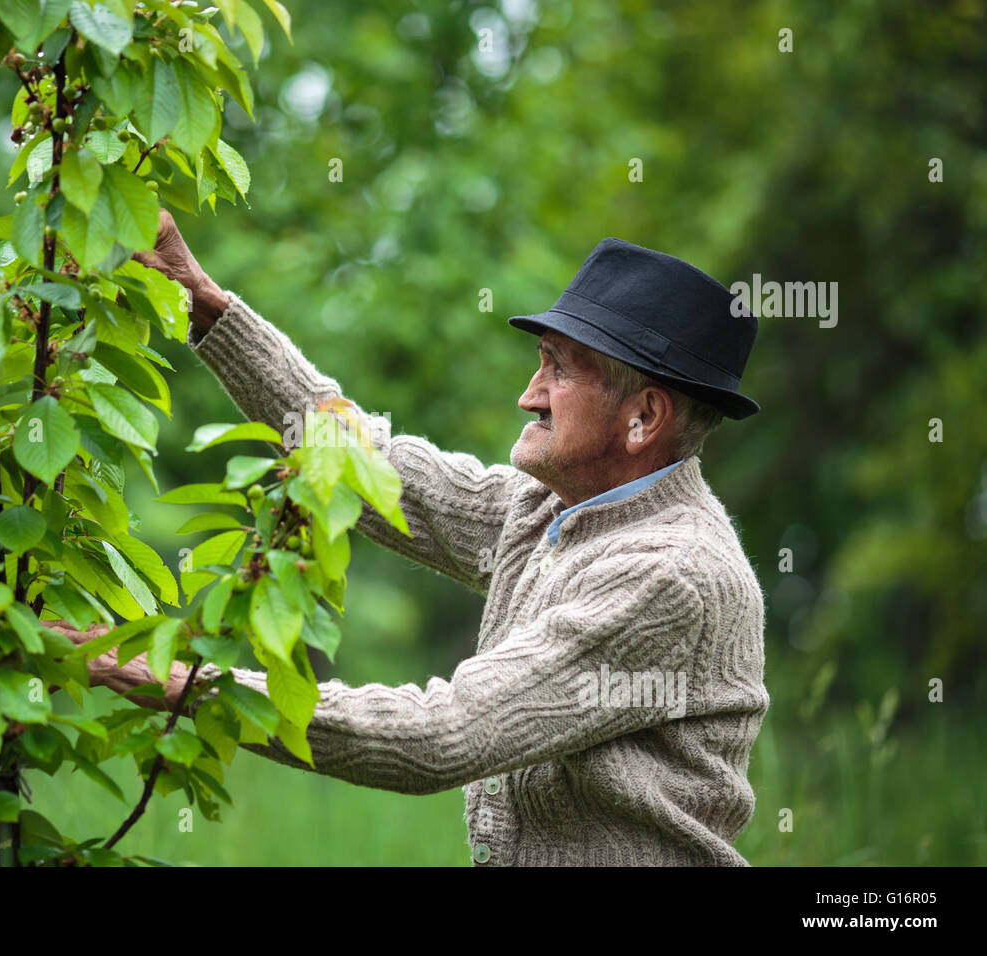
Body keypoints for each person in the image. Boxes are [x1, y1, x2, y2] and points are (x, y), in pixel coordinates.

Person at [58, 213, 770, 866]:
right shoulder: (549, 511)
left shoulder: (671, 575)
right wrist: (204, 303)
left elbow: (441, 736)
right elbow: (363, 464)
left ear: (643, 416)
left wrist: (157, 674)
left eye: (558, 368)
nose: (530, 393)